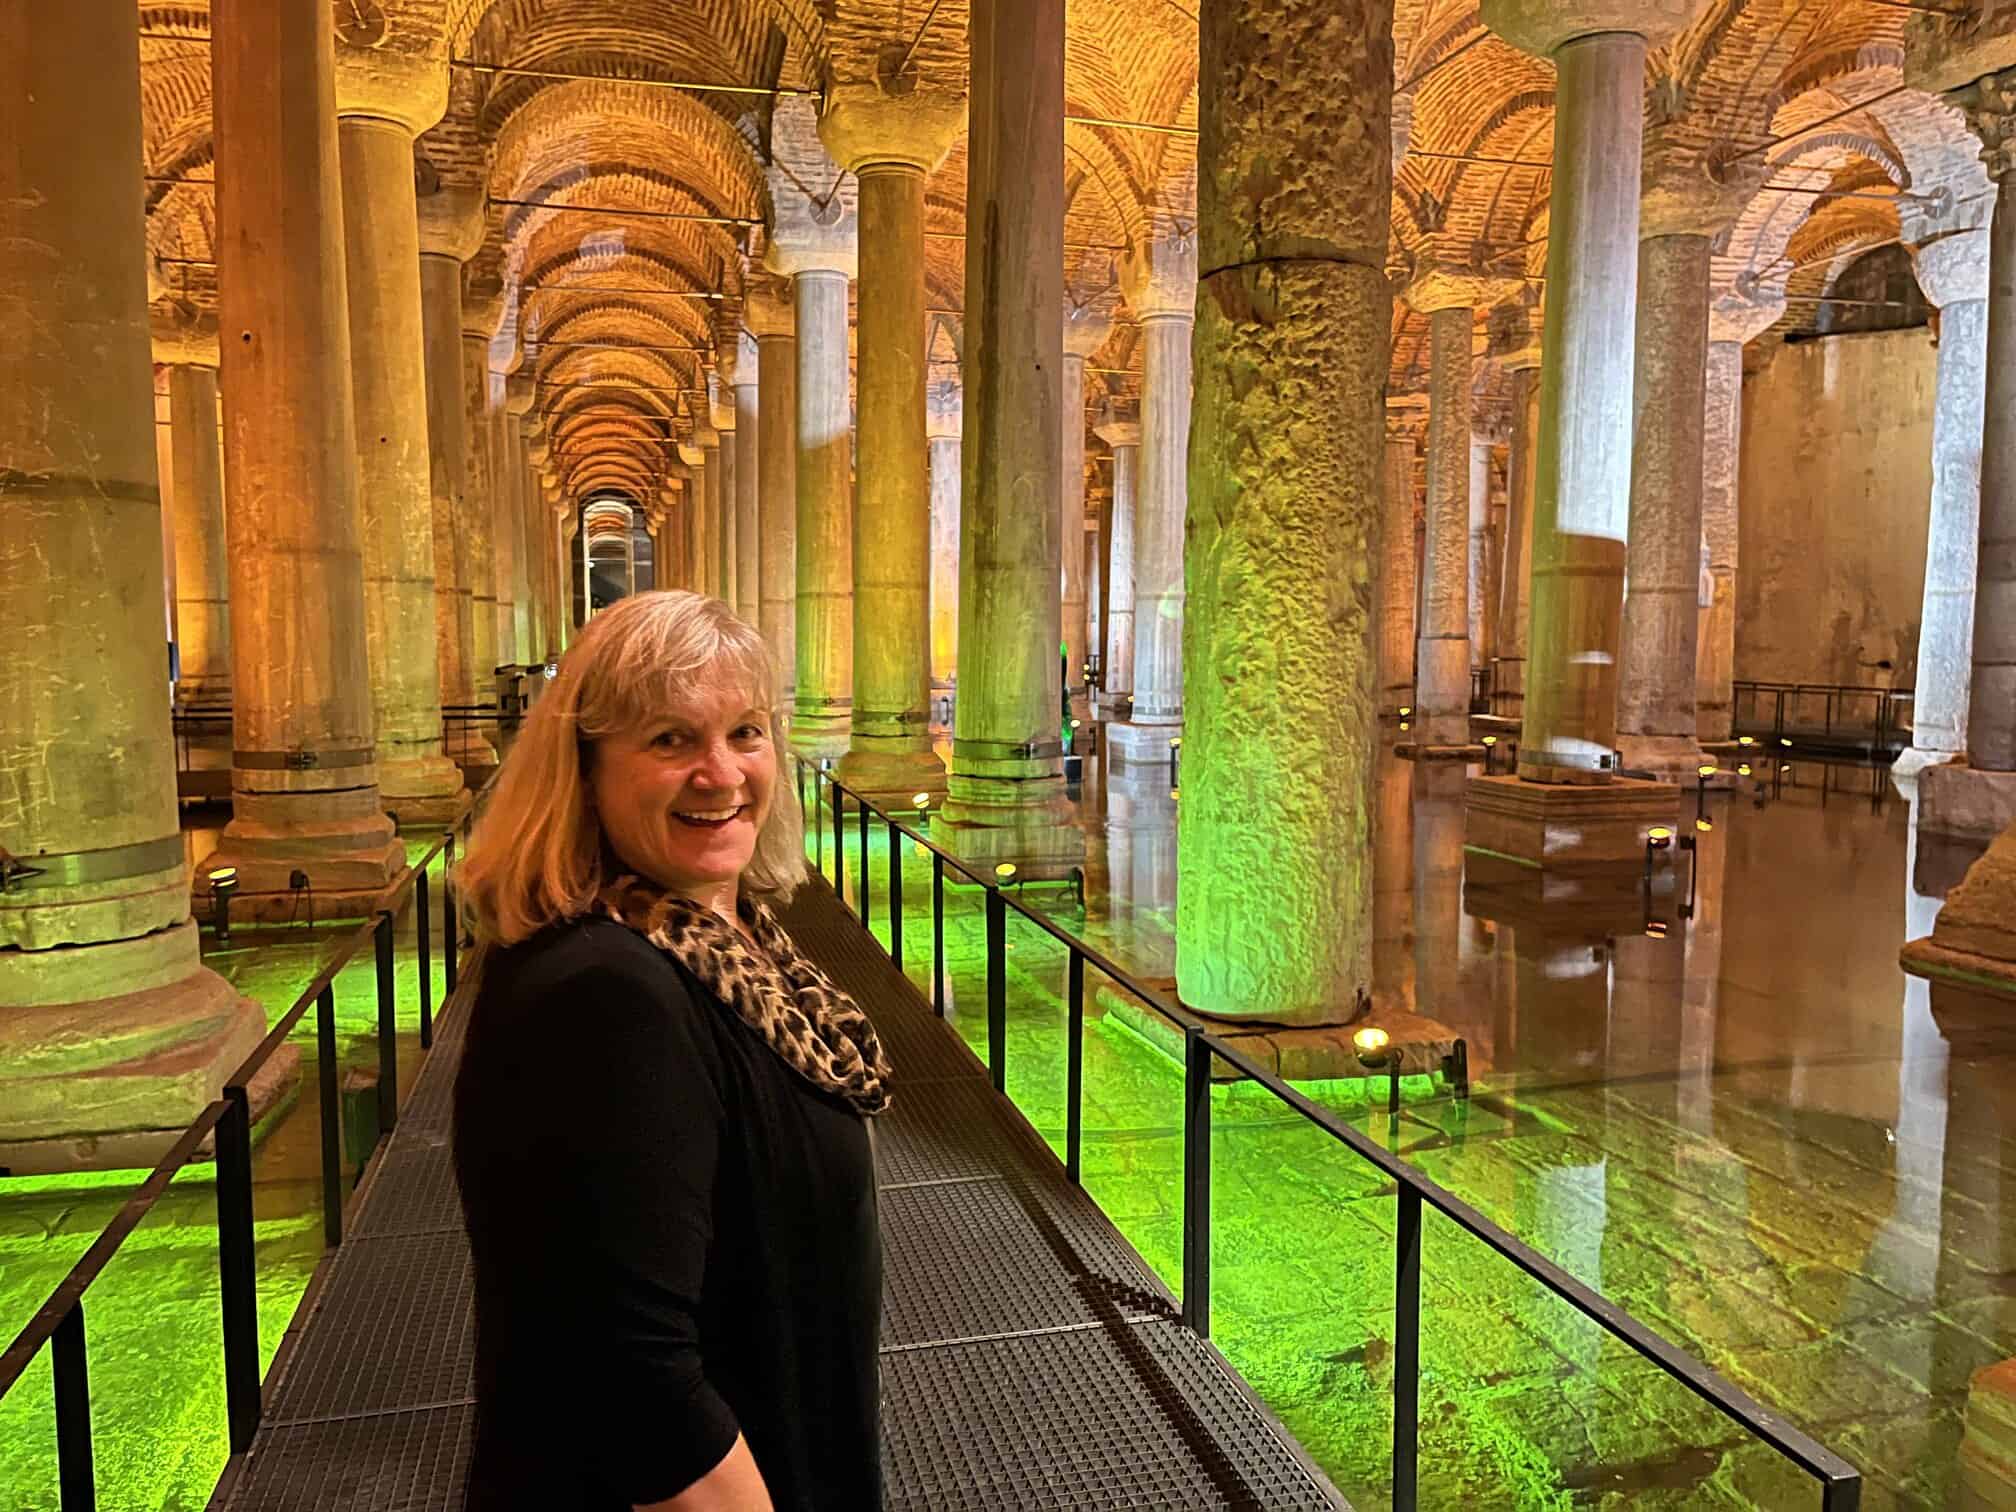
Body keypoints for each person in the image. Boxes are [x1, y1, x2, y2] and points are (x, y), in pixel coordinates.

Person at [451, 590, 892, 1511]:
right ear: (585, 772)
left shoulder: (730, 941)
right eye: (668, 740)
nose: (722, 774)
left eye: (746, 732)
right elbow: (633, 1382)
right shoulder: (604, 995)